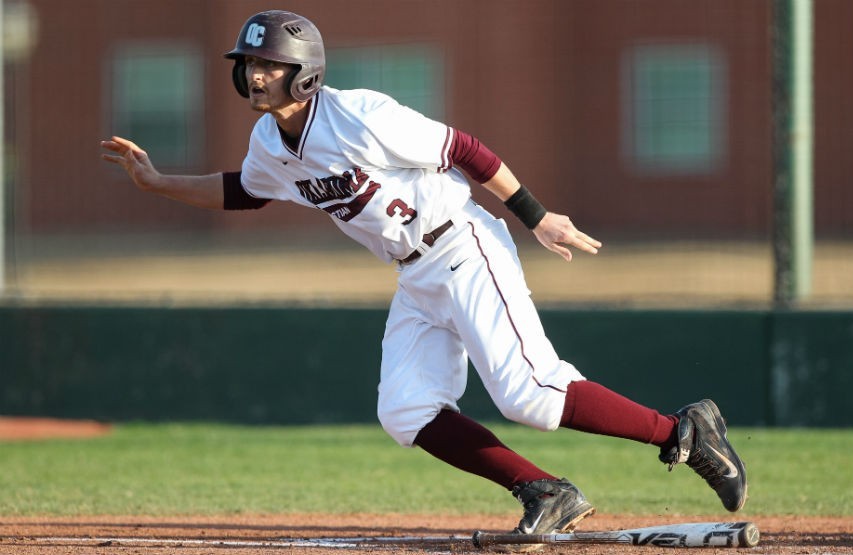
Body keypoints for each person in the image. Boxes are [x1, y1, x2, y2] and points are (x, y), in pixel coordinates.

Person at [101, 9, 747, 542]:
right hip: (415, 275)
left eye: (269, 64)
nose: (255, 75)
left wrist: (536, 216)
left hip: (463, 246)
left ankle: (685, 428)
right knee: (405, 408)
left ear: (305, 74)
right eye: (249, 65)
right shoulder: (270, 144)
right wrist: (157, 182)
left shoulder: (358, 115)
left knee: (532, 395)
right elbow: (245, 190)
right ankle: (545, 490)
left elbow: (463, 149)